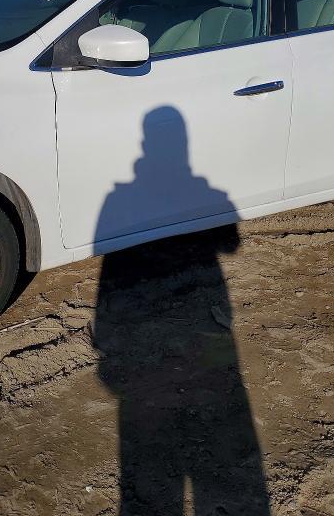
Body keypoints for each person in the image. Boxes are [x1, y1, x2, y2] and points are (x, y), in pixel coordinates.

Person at [92, 106, 270, 515]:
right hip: (198, 334)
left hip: (141, 338)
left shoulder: (120, 194)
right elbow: (231, 242)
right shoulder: (199, 188)